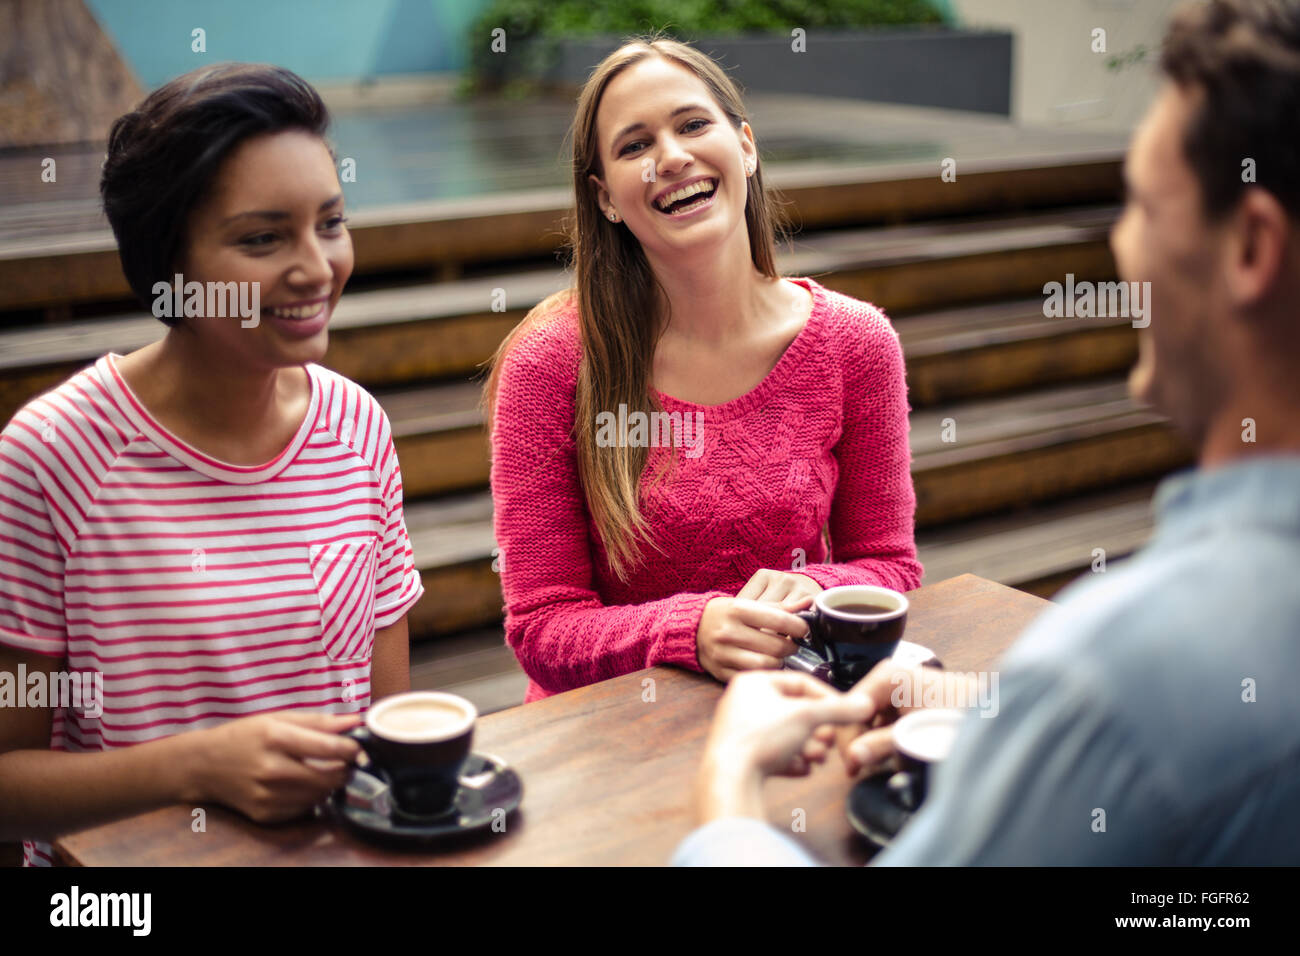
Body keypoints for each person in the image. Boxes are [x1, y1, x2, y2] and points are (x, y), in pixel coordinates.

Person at [674, 0, 1300, 866]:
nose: (1120, 248)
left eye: (1143, 208)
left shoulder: (1123, 673)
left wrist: (730, 792)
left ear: (1250, 251)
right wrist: (1008, 718)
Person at [0, 63, 424, 866]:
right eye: (262, 238)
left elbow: (385, 724)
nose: (314, 268)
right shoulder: (52, 456)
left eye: (329, 223)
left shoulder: (356, 428)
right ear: (170, 267)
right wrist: (198, 768)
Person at [483, 37, 923, 703]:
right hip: (614, 741)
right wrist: (689, 629)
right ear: (605, 198)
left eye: (692, 124)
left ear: (745, 145)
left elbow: (889, 565)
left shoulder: (854, 343)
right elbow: (543, 628)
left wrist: (818, 586)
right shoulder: (549, 364)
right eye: (635, 146)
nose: (672, 157)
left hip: (791, 715)